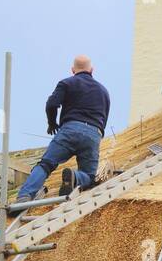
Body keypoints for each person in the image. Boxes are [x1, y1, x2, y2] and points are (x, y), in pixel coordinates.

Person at [18, 56, 110, 199]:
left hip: (70, 130)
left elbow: (51, 104)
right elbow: (104, 118)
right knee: (90, 176)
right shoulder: (104, 91)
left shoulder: (67, 83)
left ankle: (24, 195)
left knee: (45, 164)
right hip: (94, 133)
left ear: (73, 70)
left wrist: (52, 123)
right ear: (92, 70)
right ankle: (75, 177)